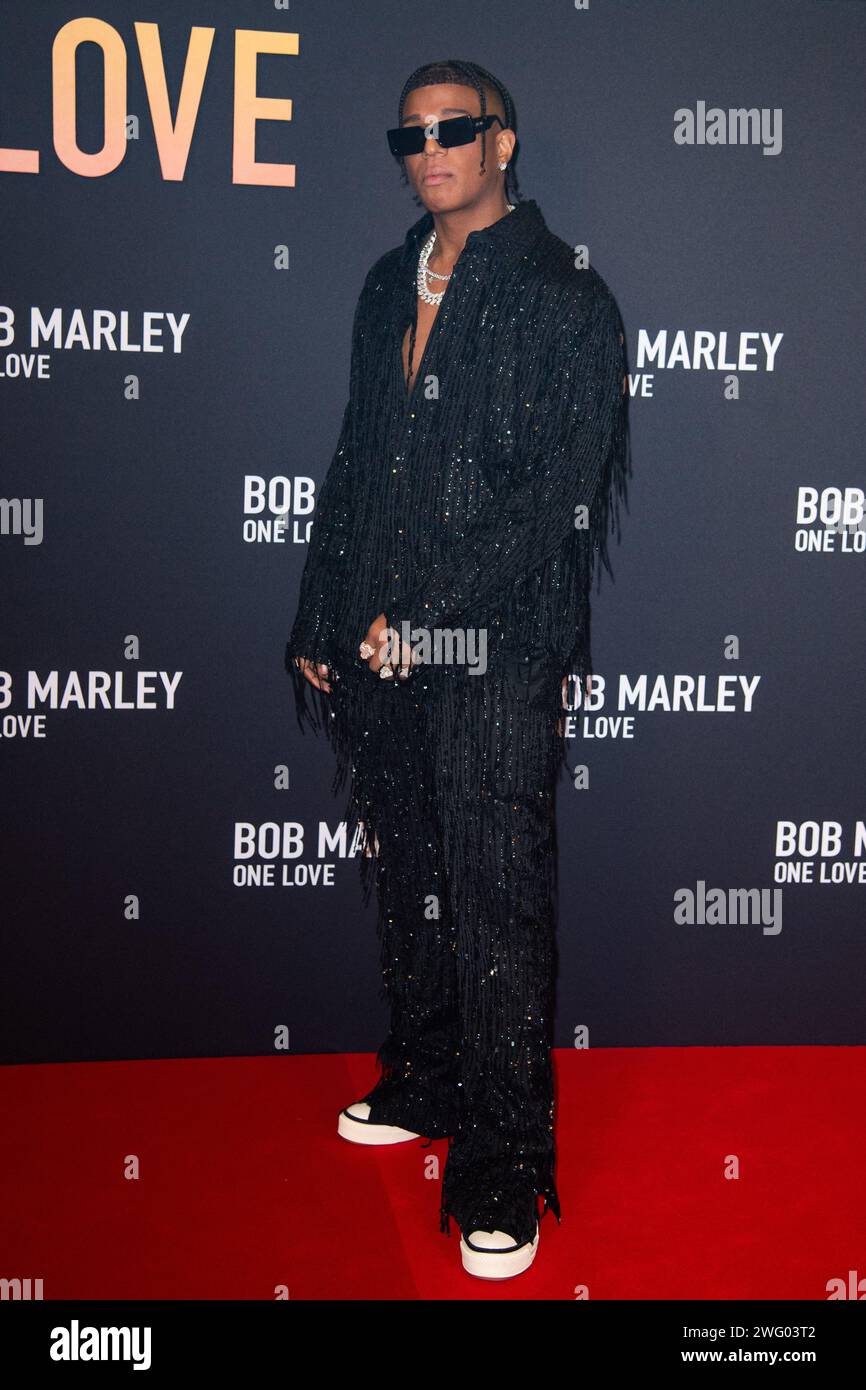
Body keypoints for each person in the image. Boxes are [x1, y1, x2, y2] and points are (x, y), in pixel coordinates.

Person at [286, 58, 630, 1279]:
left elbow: (555, 502)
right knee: (415, 873)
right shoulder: (388, 284)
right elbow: (356, 454)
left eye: (452, 128)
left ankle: (498, 1159)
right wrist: (323, 614)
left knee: (491, 896)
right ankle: (429, 1078)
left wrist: (420, 613)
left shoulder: (564, 295)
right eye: (408, 133)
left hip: (491, 642)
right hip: (377, 639)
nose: (426, 148)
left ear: (502, 142)